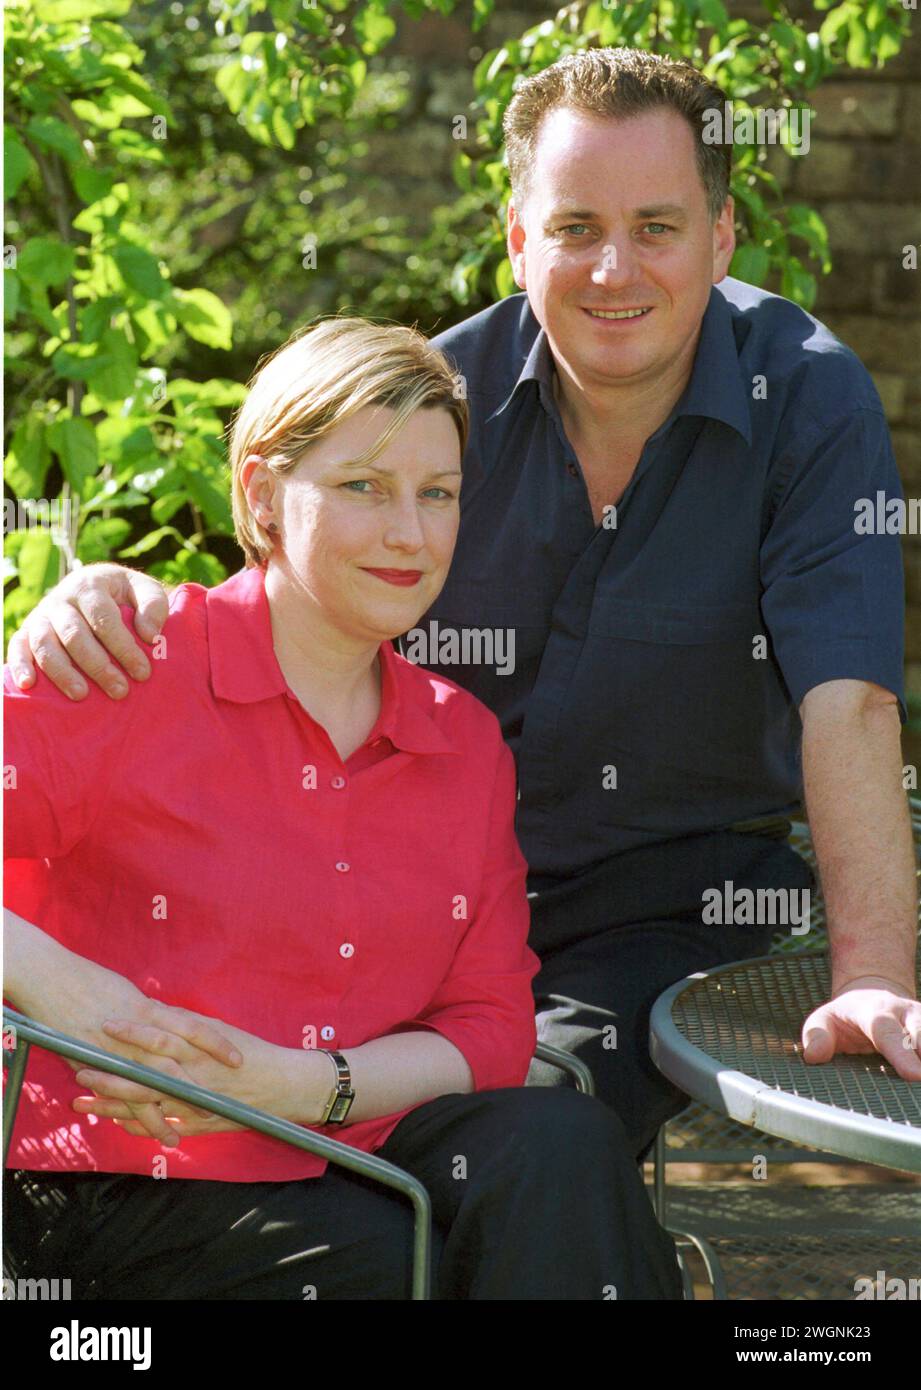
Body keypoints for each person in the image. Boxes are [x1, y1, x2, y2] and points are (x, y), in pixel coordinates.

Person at [8, 49, 919, 1167]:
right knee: (303, 1110)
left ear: (723, 238)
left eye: (658, 227)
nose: (613, 267)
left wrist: (873, 975)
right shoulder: (436, 405)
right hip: (407, 886)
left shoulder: (810, 402)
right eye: (576, 225)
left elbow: (853, 699)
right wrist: (113, 598)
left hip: (665, 905)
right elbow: (284, 585)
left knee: (518, 1129)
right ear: (518, 238)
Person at [3, 316, 684, 1301]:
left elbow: (490, 1029)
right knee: (415, 1267)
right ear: (263, 494)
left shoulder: (463, 745)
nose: (410, 532)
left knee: (567, 1145)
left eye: (437, 493)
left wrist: (295, 1084)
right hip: (118, 1179)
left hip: (354, 1146)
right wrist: (70, 991)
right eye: (363, 486)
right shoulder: (124, 668)